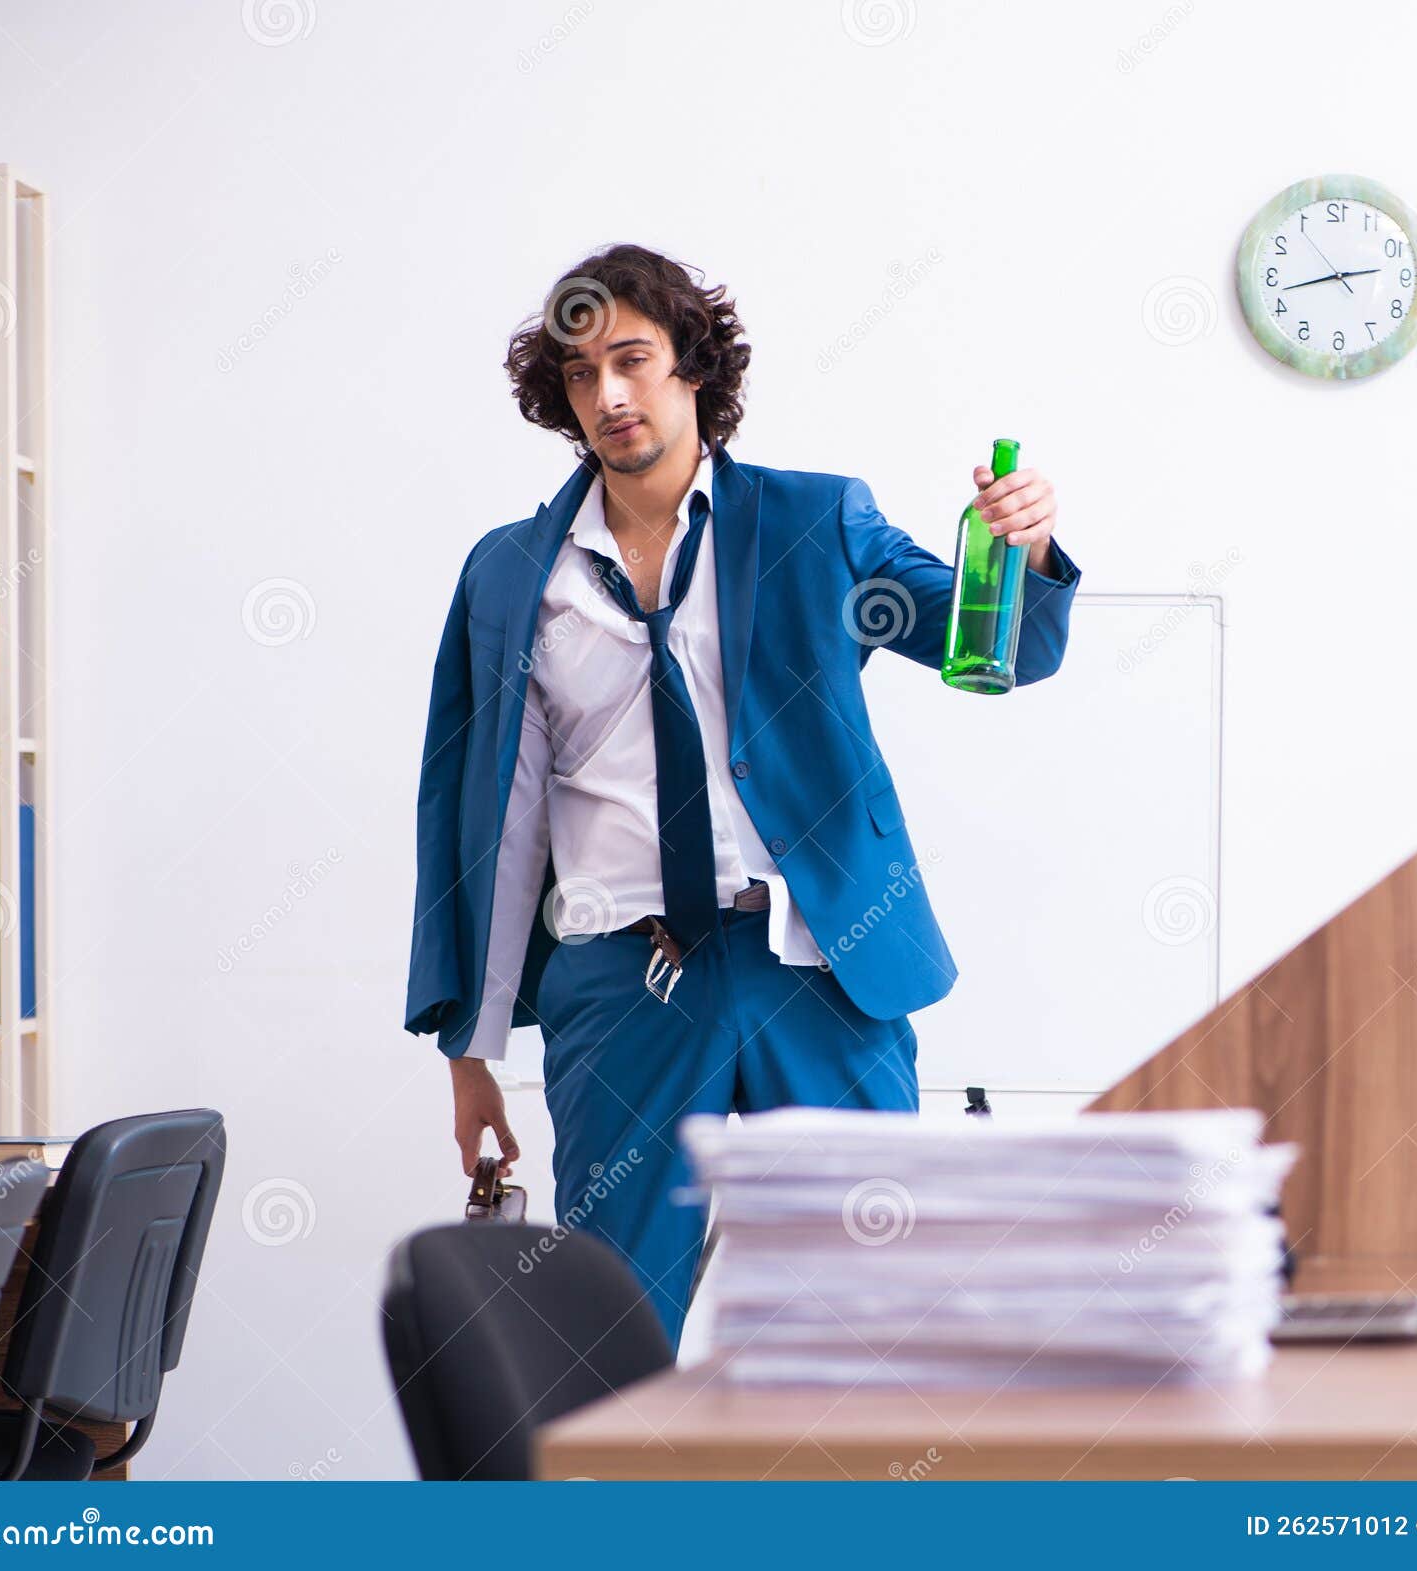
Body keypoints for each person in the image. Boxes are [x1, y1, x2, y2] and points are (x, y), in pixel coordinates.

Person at [405, 243, 1081, 1350]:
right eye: (579, 374)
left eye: (632, 359)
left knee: (869, 1316)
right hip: (624, 983)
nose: (608, 394)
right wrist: (466, 1053)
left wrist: (1028, 550)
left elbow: (992, 651)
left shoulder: (814, 524)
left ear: (693, 372)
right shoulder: (509, 571)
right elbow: (468, 817)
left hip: (816, 968)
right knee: (613, 1332)